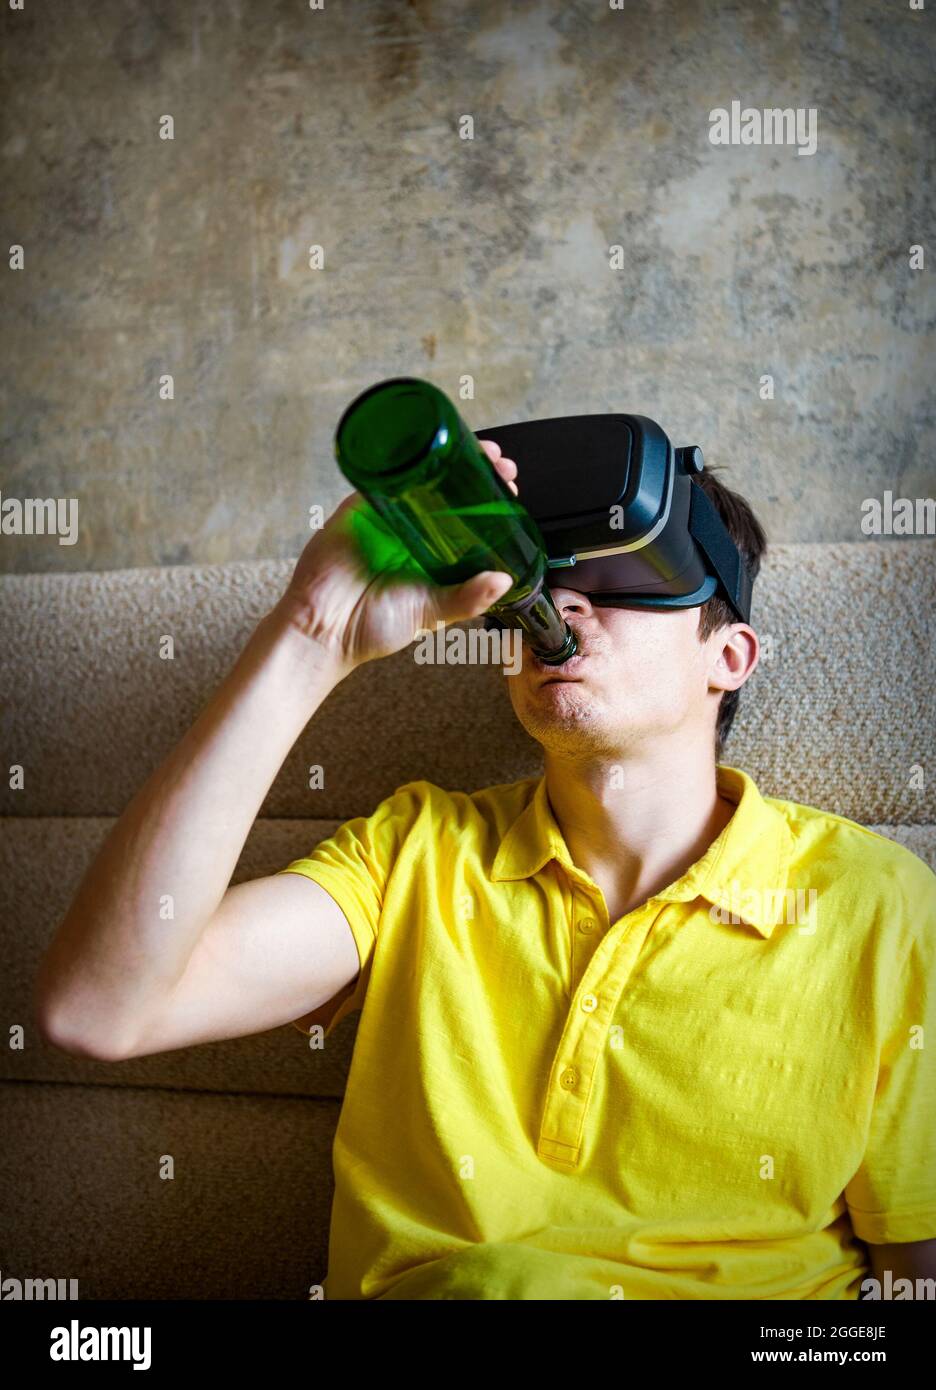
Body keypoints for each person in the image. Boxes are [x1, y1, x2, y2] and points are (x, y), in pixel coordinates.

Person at [35, 439, 936, 1300]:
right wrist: (311, 634)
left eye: (621, 575)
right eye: (546, 579)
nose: (569, 606)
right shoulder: (414, 851)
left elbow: (915, 1262)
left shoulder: (874, 903)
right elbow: (99, 1011)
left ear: (728, 655)